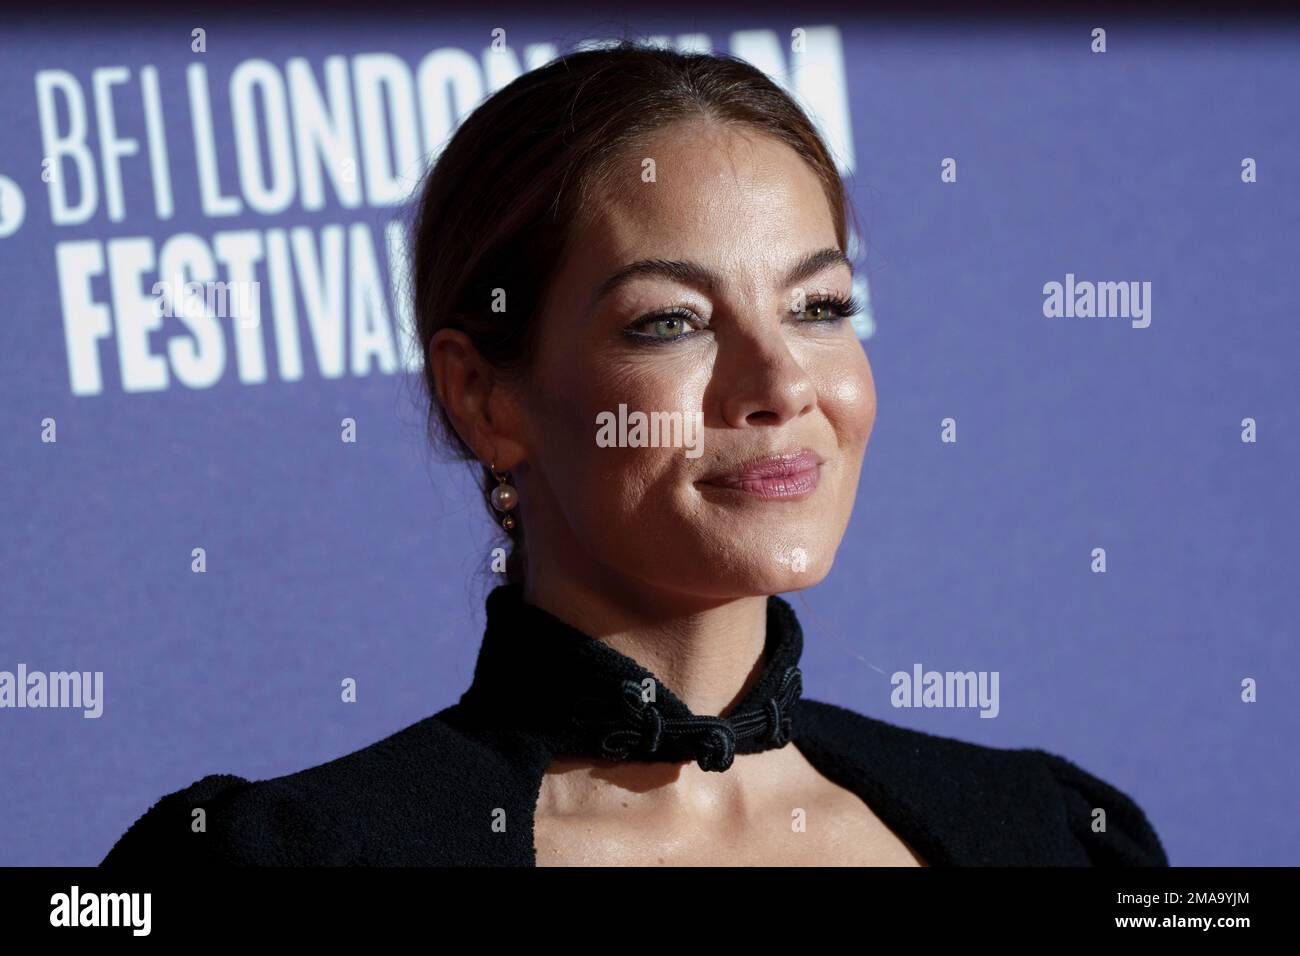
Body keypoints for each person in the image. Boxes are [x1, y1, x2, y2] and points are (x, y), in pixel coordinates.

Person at [101, 41, 1168, 867]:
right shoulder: (290, 858)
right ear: (484, 396)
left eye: (820, 306)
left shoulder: (1049, 833)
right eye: (670, 321)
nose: (781, 384)